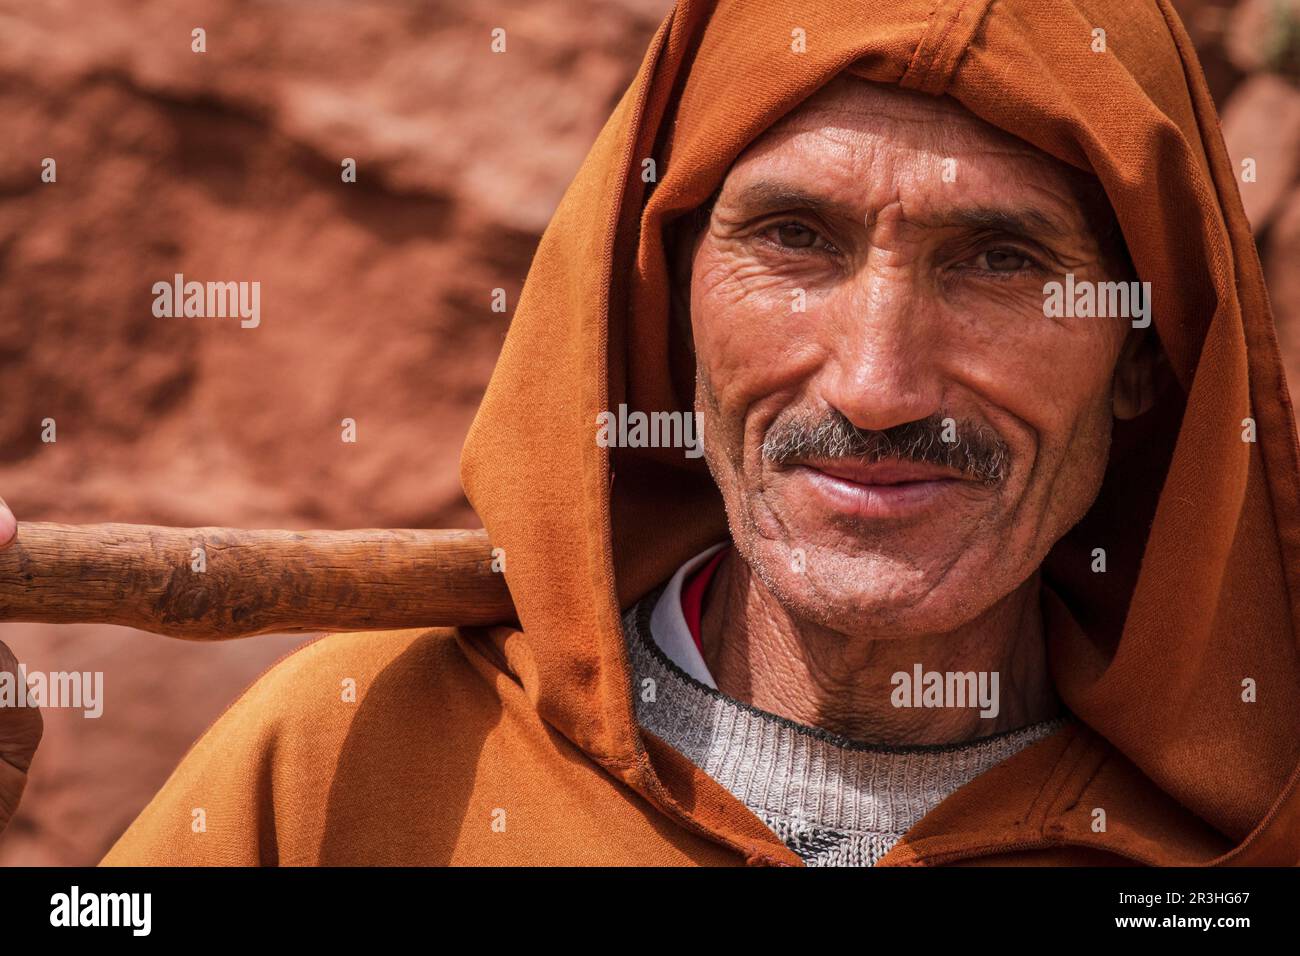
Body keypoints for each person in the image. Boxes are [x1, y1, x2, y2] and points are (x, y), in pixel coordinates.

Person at [3, 0, 1299, 866]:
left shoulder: (1221, 856)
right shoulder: (346, 768)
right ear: (663, 302)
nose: (876, 385)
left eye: (1001, 260)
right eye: (794, 239)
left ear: (1144, 354)